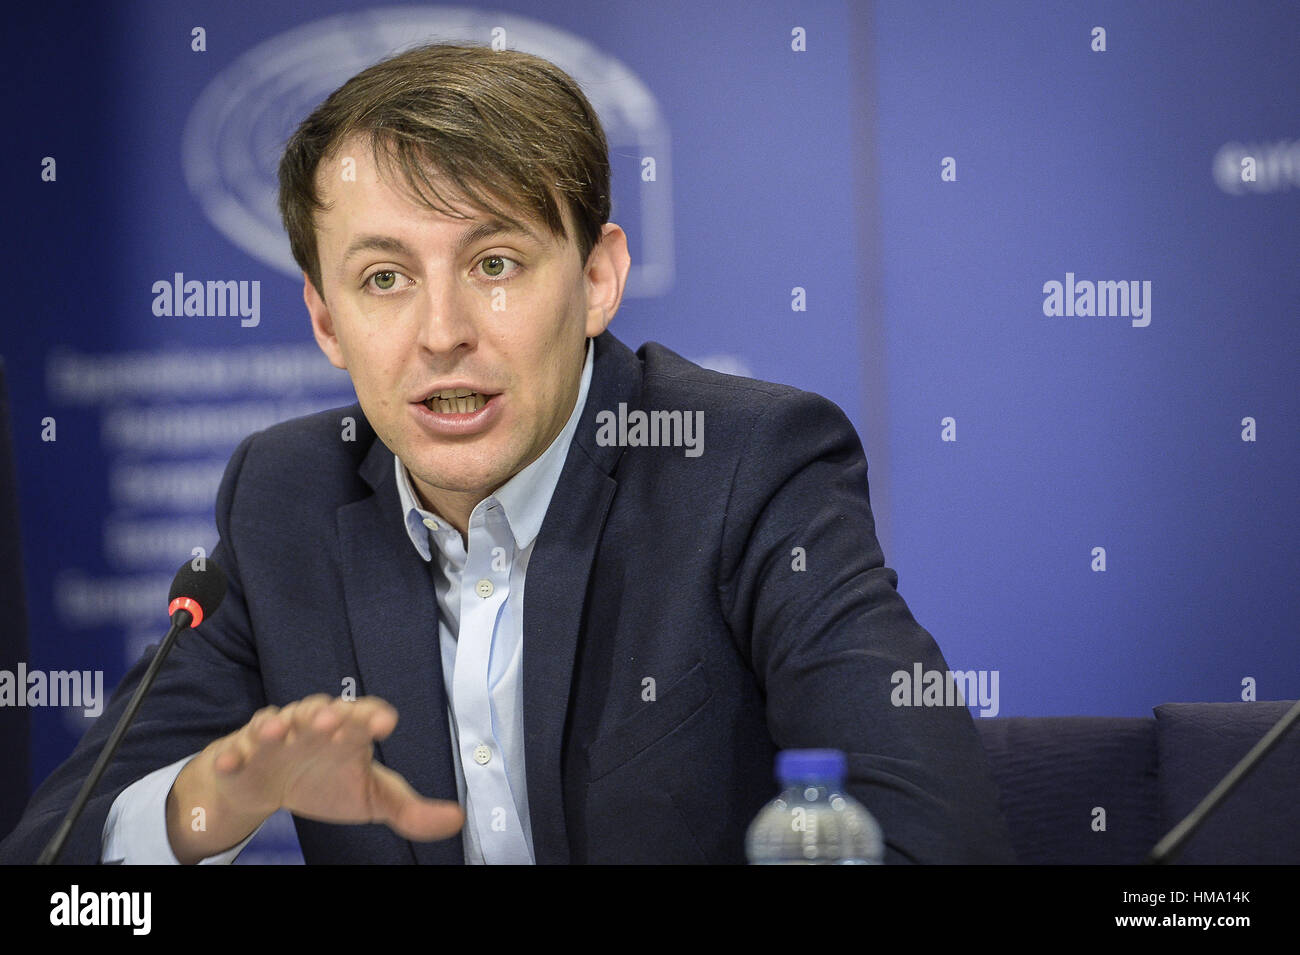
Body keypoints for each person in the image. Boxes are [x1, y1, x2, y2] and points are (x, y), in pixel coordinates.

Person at [0, 42, 1013, 864]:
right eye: (384, 278)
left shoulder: (746, 466)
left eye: (494, 263)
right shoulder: (284, 501)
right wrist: (199, 805)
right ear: (323, 318)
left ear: (599, 277)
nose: (441, 331)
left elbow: (936, 838)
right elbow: (53, 867)